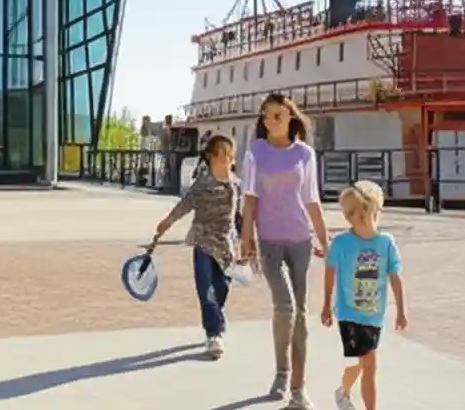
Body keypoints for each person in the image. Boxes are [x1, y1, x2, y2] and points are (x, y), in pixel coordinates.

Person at [239, 92, 329, 408]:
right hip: (269, 241)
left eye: (277, 115)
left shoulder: (304, 154)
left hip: (300, 239)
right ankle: (281, 371)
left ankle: (298, 388)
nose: (270, 121)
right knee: (285, 306)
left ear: (290, 116)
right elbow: (250, 196)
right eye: (266, 116)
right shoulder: (256, 152)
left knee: (300, 312)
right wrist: (245, 237)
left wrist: (325, 240)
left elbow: (312, 199)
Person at [321, 181, 407, 410]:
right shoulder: (341, 243)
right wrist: (326, 305)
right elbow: (330, 272)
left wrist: (401, 311)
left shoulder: (386, 243)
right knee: (368, 363)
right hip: (349, 313)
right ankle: (356, 399)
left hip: (374, 315)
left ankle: (343, 391)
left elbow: (395, 277)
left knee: (364, 364)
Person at [155, 134, 242, 359]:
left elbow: (242, 216)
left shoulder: (236, 185)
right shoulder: (202, 184)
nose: (226, 161)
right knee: (206, 290)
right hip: (203, 242)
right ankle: (214, 334)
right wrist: (167, 222)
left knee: (221, 288)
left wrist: (248, 242)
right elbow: (185, 205)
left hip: (226, 245)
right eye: (221, 156)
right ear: (210, 158)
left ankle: (216, 318)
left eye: (229, 157)